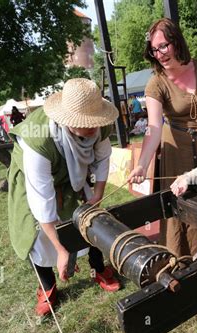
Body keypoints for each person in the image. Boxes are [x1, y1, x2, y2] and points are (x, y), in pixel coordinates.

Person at [8, 78, 121, 317]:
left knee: (90, 220)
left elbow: (101, 160)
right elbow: (42, 199)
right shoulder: (37, 140)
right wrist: (61, 249)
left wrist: (97, 196)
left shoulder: (100, 126)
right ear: (66, 120)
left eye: (95, 121)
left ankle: (98, 268)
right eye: (85, 123)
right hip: (36, 179)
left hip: (74, 175)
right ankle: (48, 287)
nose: (93, 127)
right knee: (37, 234)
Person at [127, 18, 197, 257]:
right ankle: (183, 256)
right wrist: (142, 164)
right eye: (154, 49)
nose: (160, 53)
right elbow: (153, 127)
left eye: (164, 46)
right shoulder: (156, 83)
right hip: (177, 150)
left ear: (176, 41)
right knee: (182, 201)